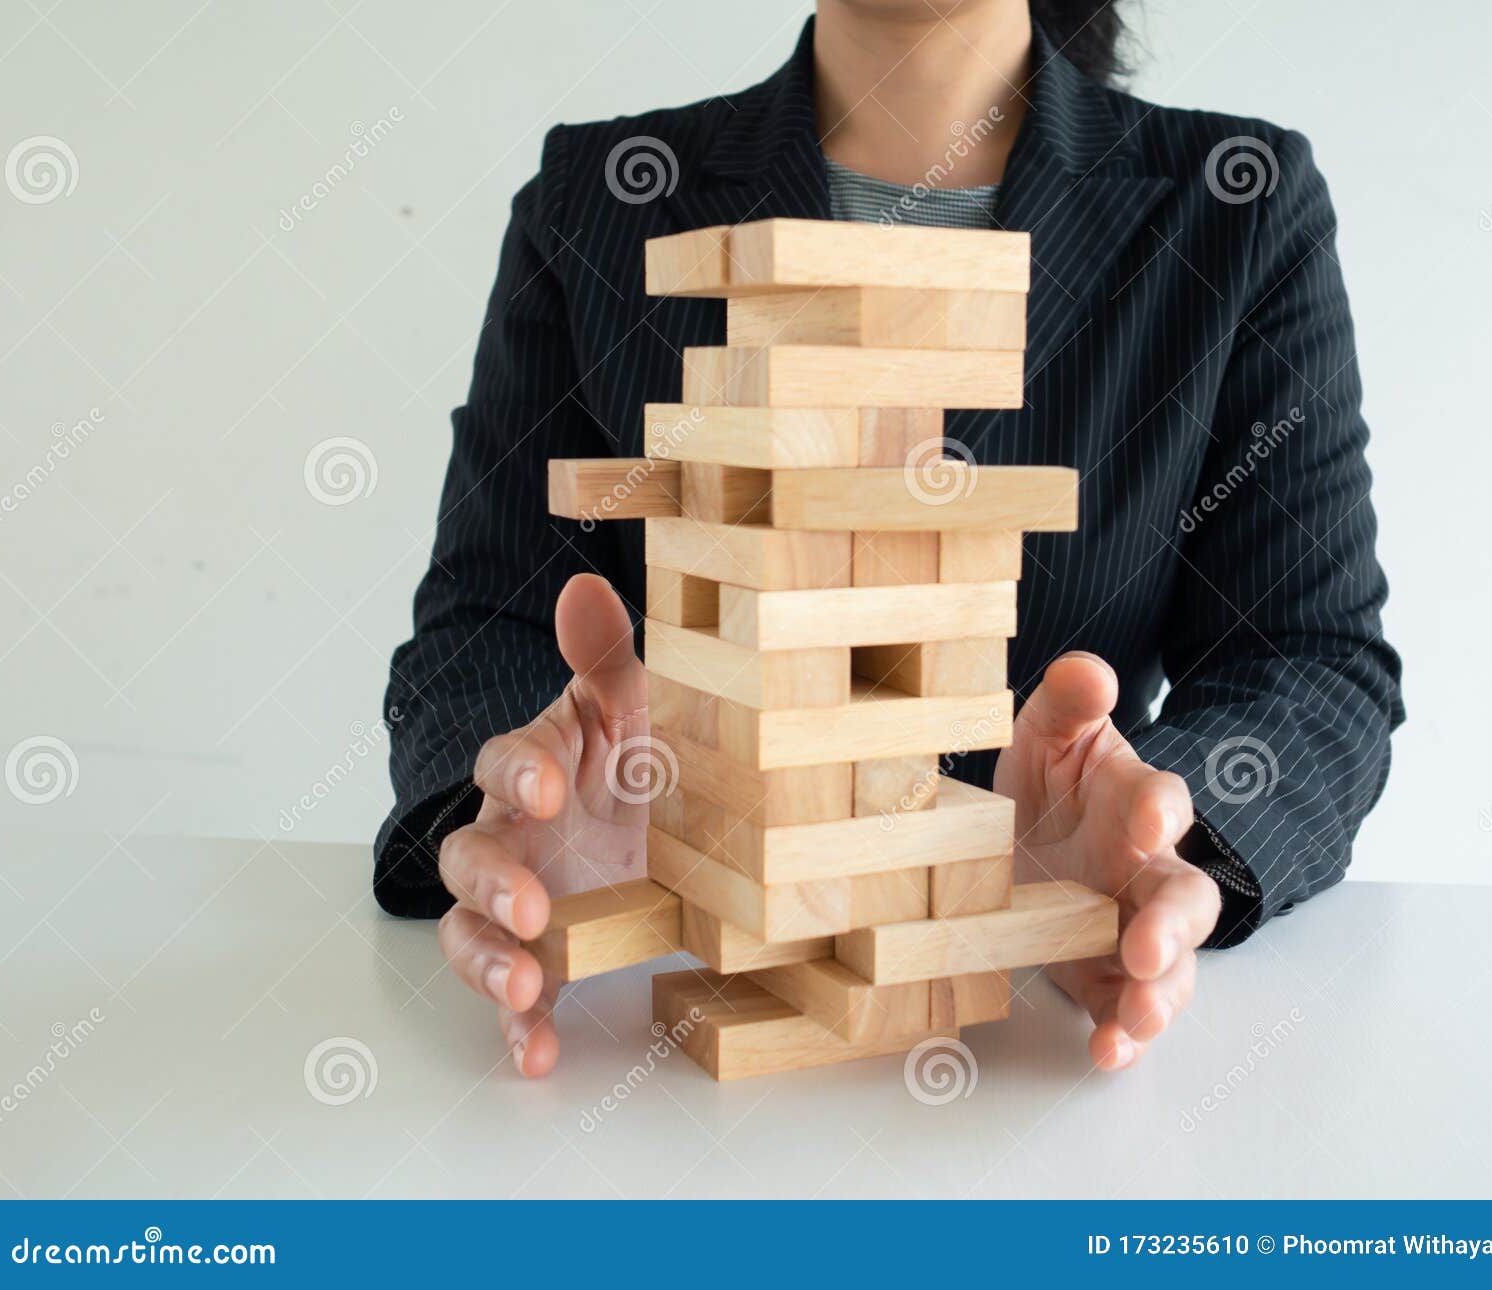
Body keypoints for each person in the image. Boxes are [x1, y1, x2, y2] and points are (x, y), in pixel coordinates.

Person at [374, 0, 1404, 1079]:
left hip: (1026, 1061)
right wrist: (529, 815)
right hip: (674, 1038)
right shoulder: (598, 197)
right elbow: (483, 623)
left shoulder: (1236, 200)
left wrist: (1160, 832)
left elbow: (1307, 656)